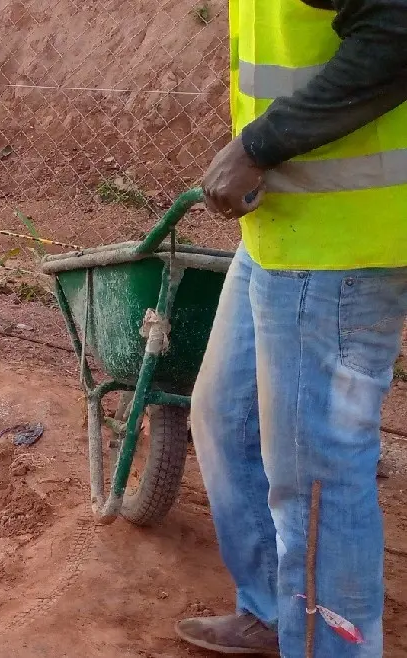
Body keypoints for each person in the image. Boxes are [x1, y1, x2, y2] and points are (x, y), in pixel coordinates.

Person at [179, 0, 407, 655]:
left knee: (317, 481)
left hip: (345, 246)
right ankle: (275, 612)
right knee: (226, 415)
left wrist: (260, 145)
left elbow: (396, 25)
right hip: (288, 230)